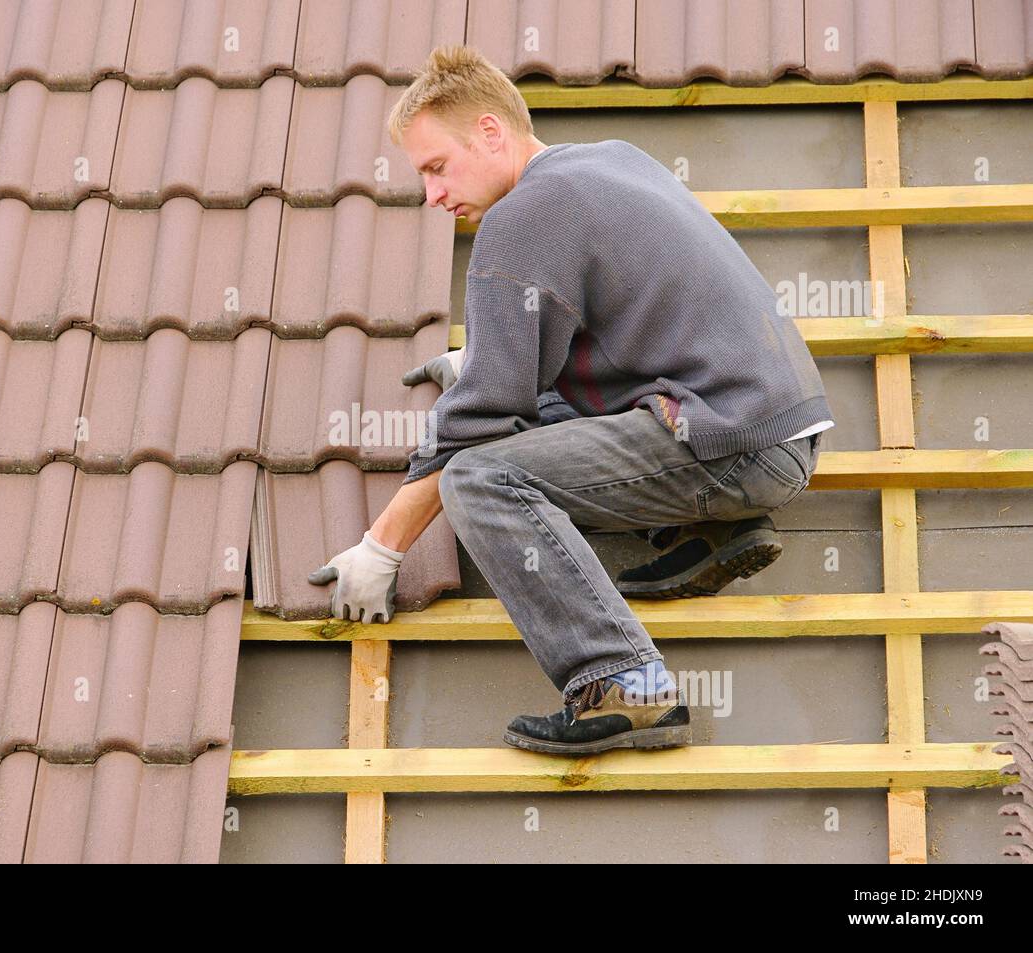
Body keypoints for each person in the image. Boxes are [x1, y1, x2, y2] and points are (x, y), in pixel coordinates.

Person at [309, 45, 833, 756]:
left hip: (728, 444)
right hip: (772, 427)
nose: (432, 195)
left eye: (436, 167)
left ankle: (623, 684)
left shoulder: (523, 216)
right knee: (538, 420)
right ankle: (705, 534)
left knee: (481, 477)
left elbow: (485, 417)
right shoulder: (612, 160)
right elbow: (622, 318)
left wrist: (383, 545)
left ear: (491, 133)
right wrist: (492, 351)